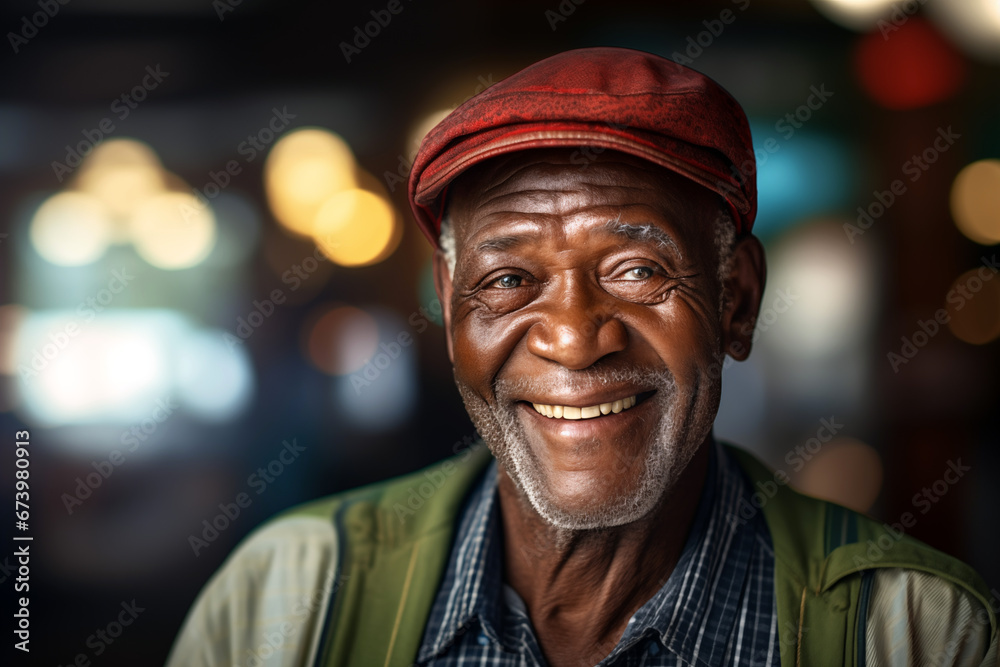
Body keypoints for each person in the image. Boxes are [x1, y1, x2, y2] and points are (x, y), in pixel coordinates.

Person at [168, 47, 998, 667]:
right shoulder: (285, 599)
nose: (574, 336)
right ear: (452, 308)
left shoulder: (919, 632)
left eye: (637, 271)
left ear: (736, 300)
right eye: (509, 278)